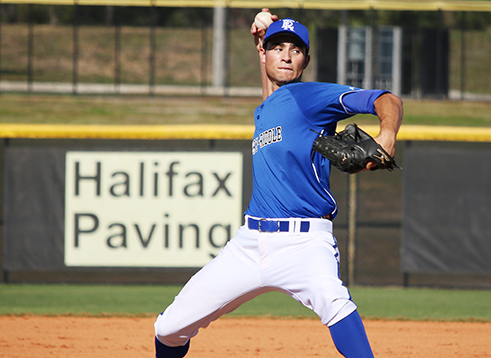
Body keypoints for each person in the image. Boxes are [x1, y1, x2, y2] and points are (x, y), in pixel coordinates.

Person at [153, 9, 403, 358]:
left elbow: (386, 99)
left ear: (306, 60)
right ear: (265, 53)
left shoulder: (310, 97)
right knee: (168, 329)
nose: (286, 54)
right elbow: (271, 88)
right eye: (277, 47)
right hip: (249, 243)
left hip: (304, 244)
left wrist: (387, 133)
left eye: (295, 49)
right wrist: (261, 36)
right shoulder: (267, 107)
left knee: (336, 304)